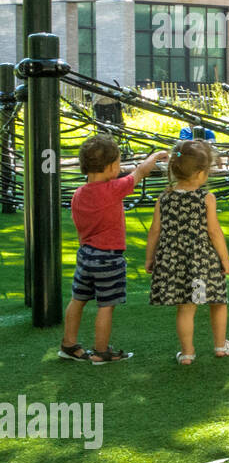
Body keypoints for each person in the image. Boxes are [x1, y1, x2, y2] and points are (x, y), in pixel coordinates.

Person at [59, 137, 168, 364]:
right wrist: (155, 157)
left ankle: (69, 344)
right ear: (110, 168)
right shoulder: (114, 189)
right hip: (109, 258)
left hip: (86, 256)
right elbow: (139, 173)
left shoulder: (78, 194)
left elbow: (116, 177)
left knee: (77, 299)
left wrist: (123, 170)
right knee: (106, 305)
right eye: (118, 164)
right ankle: (101, 351)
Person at [145, 140, 229, 365]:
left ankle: (187, 353)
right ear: (200, 173)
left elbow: (154, 231)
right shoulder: (206, 198)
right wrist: (225, 260)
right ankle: (221, 346)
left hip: (175, 263)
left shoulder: (164, 197)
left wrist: (150, 258)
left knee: (186, 307)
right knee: (217, 301)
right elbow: (214, 232)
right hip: (202, 262)